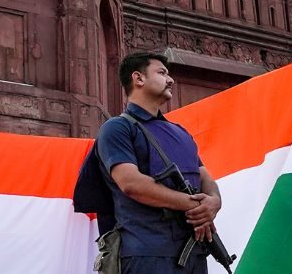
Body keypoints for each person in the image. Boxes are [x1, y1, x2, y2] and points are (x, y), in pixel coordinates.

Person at [94, 52, 222, 274]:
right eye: (162, 73)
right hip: (146, 253)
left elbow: (204, 176)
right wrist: (194, 205)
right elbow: (131, 184)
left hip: (194, 253)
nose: (170, 79)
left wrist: (214, 202)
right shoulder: (117, 128)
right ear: (138, 78)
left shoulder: (181, 133)